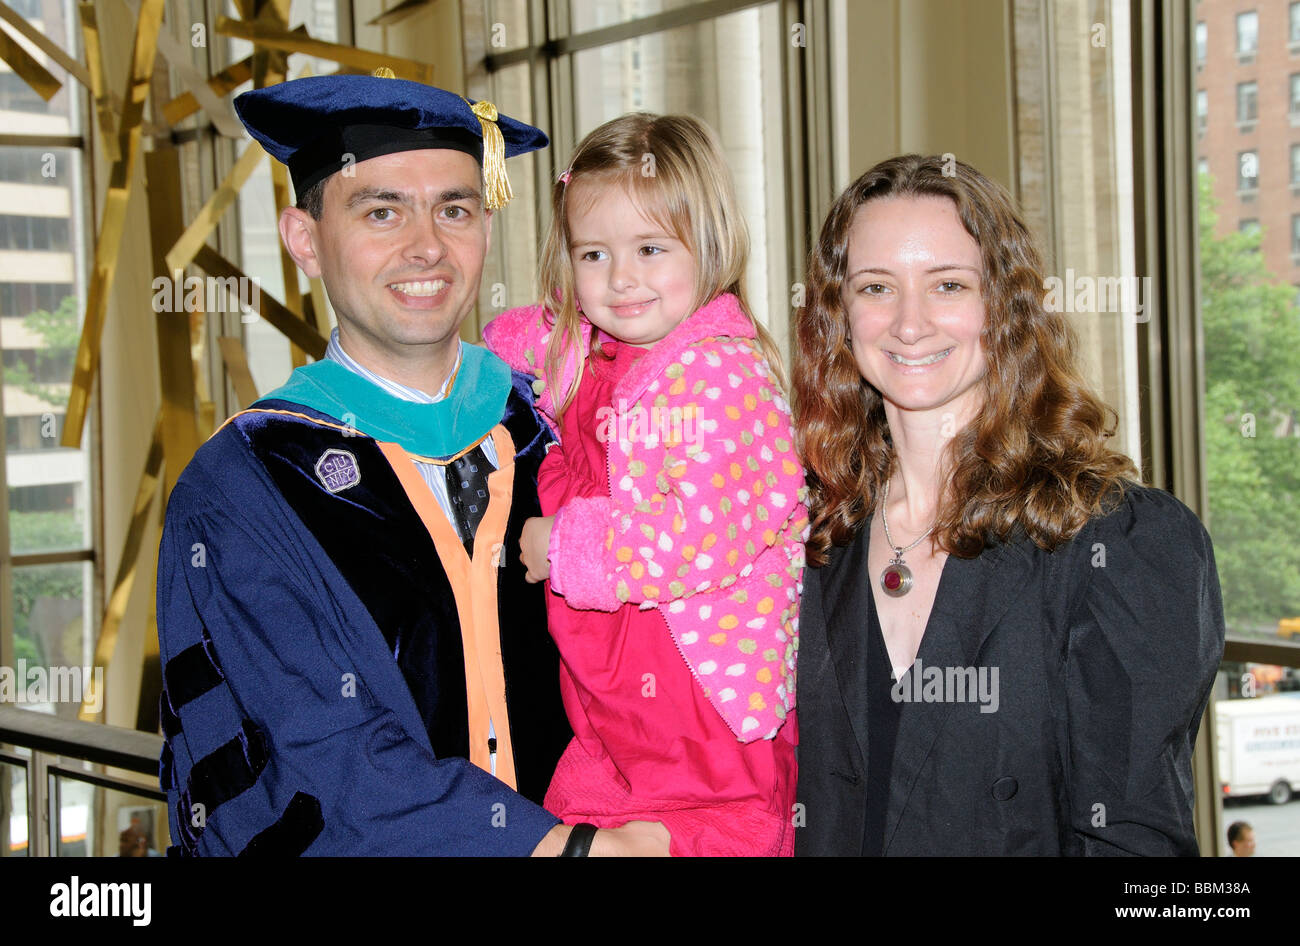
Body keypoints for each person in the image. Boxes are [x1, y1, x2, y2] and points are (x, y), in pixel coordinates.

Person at [156, 72, 667, 856]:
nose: (426, 246)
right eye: (382, 211)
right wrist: (559, 849)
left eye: (455, 209)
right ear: (304, 240)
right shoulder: (244, 484)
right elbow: (320, 755)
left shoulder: (555, 426)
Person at [791, 154, 1225, 856]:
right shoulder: (808, 533)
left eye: (949, 285)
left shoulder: (1117, 542)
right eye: (876, 287)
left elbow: (1137, 847)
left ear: (1007, 305)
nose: (909, 323)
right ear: (839, 314)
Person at [482, 113, 807, 855]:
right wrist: (485, 353)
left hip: (699, 697)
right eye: (593, 253)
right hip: (611, 698)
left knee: (711, 829)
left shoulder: (723, 373)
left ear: (709, 245)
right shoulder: (592, 350)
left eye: (651, 249)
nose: (621, 279)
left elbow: (702, 532)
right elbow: (531, 335)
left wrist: (563, 547)